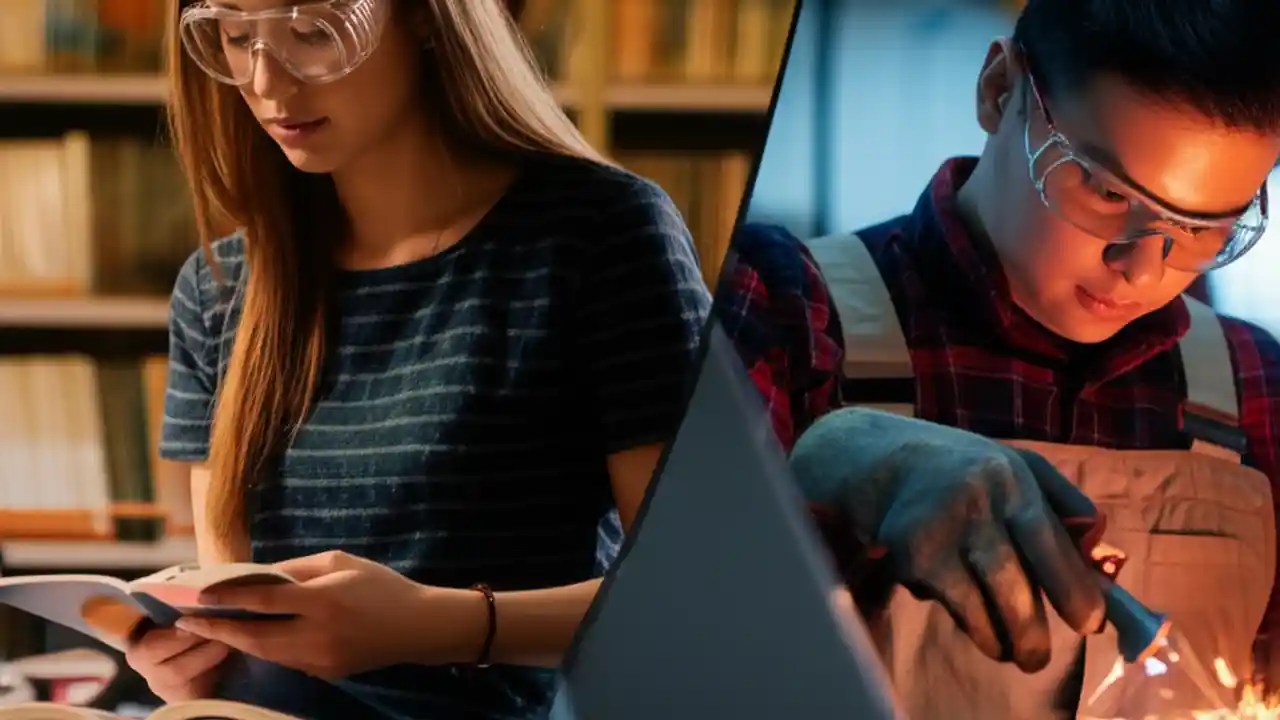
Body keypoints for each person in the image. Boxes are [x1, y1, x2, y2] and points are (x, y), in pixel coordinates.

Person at [125, 1, 711, 718]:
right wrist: (195, 667)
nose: (268, 84)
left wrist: (434, 625)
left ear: (428, 18)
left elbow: (695, 591)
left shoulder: (597, 236)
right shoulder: (218, 291)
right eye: (238, 38)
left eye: (312, 33)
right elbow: (235, 603)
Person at [719, 0, 1280, 717]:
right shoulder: (782, 307)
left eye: (1206, 227)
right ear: (998, 88)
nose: (1142, 269)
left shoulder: (1254, 384)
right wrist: (812, 487)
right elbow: (663, 638)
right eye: (1107, 192)